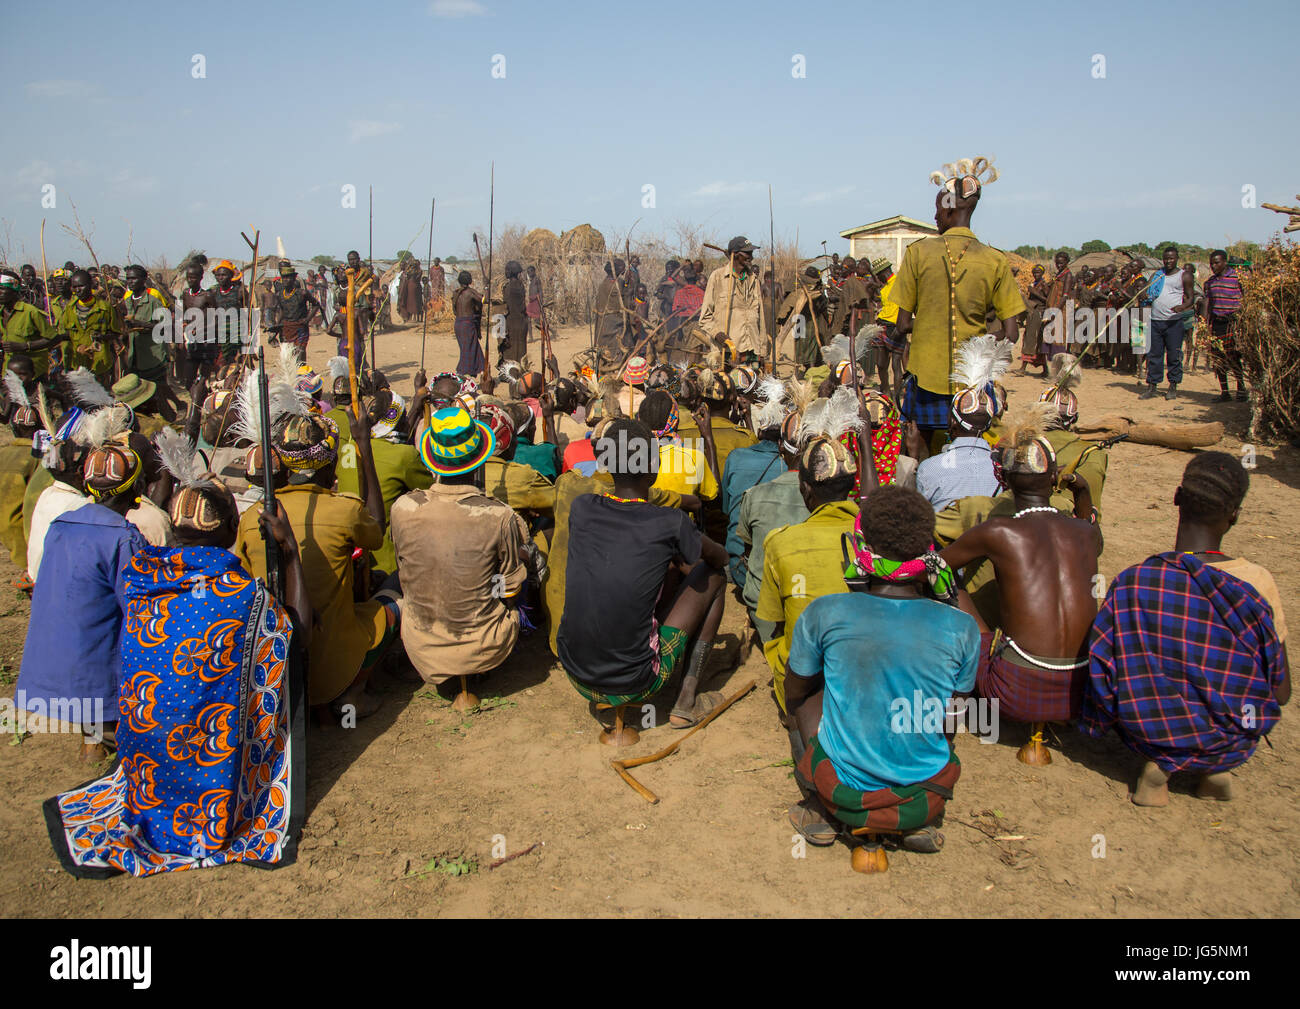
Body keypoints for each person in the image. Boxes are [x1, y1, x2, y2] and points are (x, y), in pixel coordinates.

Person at [45, 460, 312, 875]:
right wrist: (290, 552)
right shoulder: (243, 599)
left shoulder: (139, 581)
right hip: (212, 773)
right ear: (229, 530)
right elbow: (298, 633)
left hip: (148, 765)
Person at [1083, 452, 1289, 805]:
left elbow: (1103, 671)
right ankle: (1212, 769)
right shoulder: (1257, 583)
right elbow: (1280, 692)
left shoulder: (1135, 582)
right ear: (1235, 515)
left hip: (1147, 733)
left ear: (1177, 497)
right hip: (1233, 741)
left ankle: (1161, 767)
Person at [785, 485, 977, 851]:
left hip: (841, 789)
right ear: (926, 548)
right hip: (925, 792)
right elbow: (954, 714)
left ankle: (820, 806)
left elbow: (795, 691)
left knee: (806, 688)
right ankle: (906, 818)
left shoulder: (825, 612)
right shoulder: (962, 626)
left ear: (862, 545)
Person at [939, 404, 1101, 753]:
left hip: (1014, 694)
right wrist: (1082, 491)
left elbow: (937, 566)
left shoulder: (999, 532)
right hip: (1084, 693)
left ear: (1004, 479)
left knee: (946, 582)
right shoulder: (1084, 533)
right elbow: (1094, 530)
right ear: (1054, 475)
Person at [557, 418, 729, 728]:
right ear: (653, 468)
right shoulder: (669, 522)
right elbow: (718, 558)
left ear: (606, 462)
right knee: (715, 577)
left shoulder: (582, 508)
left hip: (576, 672)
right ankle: (686, 701)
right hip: (635, 681)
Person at [236, 404, 397, 719]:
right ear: (332, 464)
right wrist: (364, 447)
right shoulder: (343, 510)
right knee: (394, 598)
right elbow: (377, 530)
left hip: (271, 673)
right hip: (332, 672)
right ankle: (355, 690)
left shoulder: (250, 519)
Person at [16, 443, 148, 762]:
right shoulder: (123, 537)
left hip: (44, 669)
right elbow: (139, 609)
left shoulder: (62, 526)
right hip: (92, 674)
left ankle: (92, 744)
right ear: (136, 489)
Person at [391, 406, 534, 689]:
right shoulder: (499, 515)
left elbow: (405, 569)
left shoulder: (403, 507)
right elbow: (508, 589)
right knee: (523, 561)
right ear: (479, 457)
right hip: (484, 645)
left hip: (420, 643)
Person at [891, 159, 1024, 452]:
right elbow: (1011, 333)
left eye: (938, 210)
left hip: (925, 381)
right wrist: (974, 345)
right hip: (972, 385)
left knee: (918, 454)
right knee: (974, 453)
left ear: (949, 208)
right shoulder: (995, 260)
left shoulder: (917, 253)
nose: (935, 216)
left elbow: (902, 325)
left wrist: (926, 327)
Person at [756, 411, 863, 716]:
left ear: (805, 489)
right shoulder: (877, 539)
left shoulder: (781, 542)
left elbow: (774, 623)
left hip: (805, 687)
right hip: (866, 678)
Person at [913, 335, 1010, 511]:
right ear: (989, 425)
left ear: (952, 422)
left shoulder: (930, 468)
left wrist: (912, 456)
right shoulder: (1005, 468)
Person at [721, 378, 792, 584]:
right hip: (777, 570)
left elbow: (727, 509)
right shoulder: (789, 467)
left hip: (739, 565)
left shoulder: (736, 457)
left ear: (760, 431)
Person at [120, 265, 182, 416]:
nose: (131, 282)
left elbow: (164, 326)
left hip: (154, 351)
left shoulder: (153, 299)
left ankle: (173, 412)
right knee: (144, 389)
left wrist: (141, 325)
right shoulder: (126, 299)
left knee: (158, 387)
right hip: (136, 352)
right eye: (128, 278)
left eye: (134, 278)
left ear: (144, 280)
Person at [699, 237, 767, 366]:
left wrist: (762, 351)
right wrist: (717, 334)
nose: (751, 257)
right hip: (726, 351)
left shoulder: (754, 280)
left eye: (751, 253)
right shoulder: (718, 277)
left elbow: (761, 319)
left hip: (752, 350)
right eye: (747, 254)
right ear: (735, 255)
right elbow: (704, 318)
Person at [1142, 245, 1195, 401]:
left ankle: (1173, 386)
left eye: (1171, 258)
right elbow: (1147, 290)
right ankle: (1152, 386)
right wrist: (1145, 294)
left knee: (1174, 355)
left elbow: (1190, 297)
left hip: (1173, 322)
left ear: (1177, 258)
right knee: (1154, 355)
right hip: (1156, 320)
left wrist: (1182, 307)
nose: (1168, 261)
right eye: (1166, 258)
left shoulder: (1184, 276)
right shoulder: (1157, 275)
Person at [58, 269, 122, 382]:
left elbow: (116, 332)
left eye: (81, 286)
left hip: (100, 364)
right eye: (75, 287)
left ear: (90, 285)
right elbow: (66, 336)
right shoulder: (69, 309)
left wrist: (102, 336)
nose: (78, 290)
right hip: (79, 365)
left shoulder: (105, 308)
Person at [1203, 250, 1247, 402]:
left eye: (1216, 262)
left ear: (1225, 262)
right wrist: (1206, 324)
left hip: (1233, 322)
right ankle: (1225, 392)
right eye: (1211, 263)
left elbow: (1246, 299)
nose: (1213, 266)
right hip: (1217, 323)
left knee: (1234, 357)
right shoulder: (1210, 282)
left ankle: (1241, 390)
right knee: (1218, 359)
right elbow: (1209, 304)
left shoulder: (1237, 278)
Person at [0, 273, 62, 378]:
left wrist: (24, 346)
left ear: (14, 290)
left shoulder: (30, 312)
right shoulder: (1, 313)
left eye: (2, 289)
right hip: (10, 373)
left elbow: (54, 339)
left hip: (33, 373)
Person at [270, 261, 326, 355]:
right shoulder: (279, 294)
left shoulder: (302, 293)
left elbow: (316, 305)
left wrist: (307, 319)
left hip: (300, 327)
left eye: (288, 277)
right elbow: (282, 311)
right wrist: (276, 327)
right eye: (284, 277)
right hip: (286, 327)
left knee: (300, 352)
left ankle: (302, 369)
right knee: (287, 355)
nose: (286, 280)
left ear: (294, 278)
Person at [207, 260, 249, 366]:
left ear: (230, 276)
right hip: (220, 333)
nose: (220, 277)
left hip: (237, 332)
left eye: (224, 275)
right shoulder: (212, 292)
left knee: (240, 363)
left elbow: (249, 311)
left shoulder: (240, 291)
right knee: (221, 363)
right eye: (218, 275)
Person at [452, 270, 486, 376]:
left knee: (471, 348)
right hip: (467, 324)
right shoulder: (470, 292)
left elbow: (454, 311)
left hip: (458, 324)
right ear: (470, 280)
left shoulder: (456, 293)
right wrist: (487, 287)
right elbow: (485, 300)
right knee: (468, 350)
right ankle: (461, 372)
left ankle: (480, 369)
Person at [501, 260, 530, 367]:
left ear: (512, 271)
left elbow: (506, 306)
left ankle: (512, 373)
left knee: (510, 349)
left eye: (507, 270)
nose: (505, 272)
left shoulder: (508, 288)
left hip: (511, 322)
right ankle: (521, 370)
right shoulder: (520, 286)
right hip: (522, 322)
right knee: (521, 348)